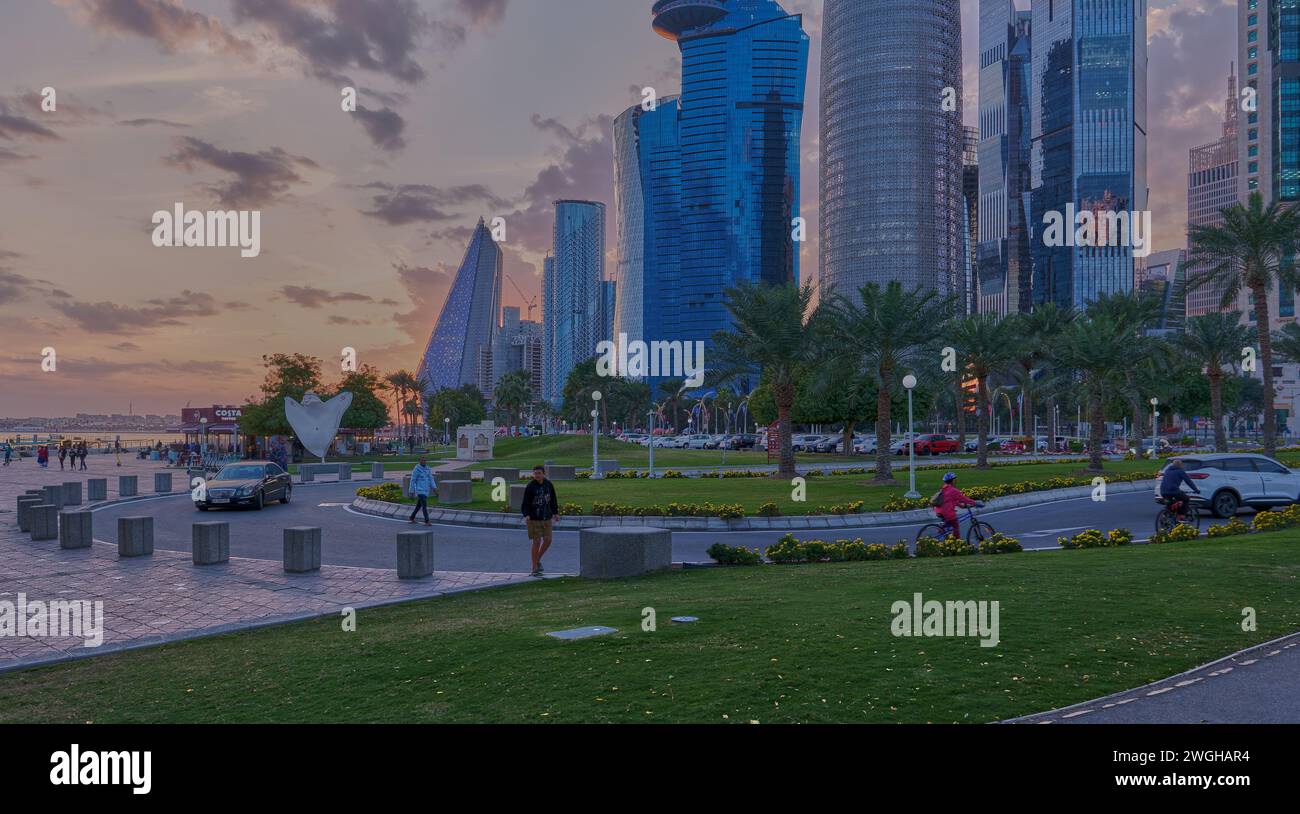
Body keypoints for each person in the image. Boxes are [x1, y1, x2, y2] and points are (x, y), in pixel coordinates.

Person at [521, 465, 560, 577]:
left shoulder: (548, 485)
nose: (537, 475)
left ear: (543, 474)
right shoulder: (530, 487)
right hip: (534, 518)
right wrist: (526, 514)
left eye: (539, 473)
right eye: (535, 473)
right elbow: (525, 502)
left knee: (548, 540)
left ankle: (537, 559)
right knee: (536, 541)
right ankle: (534, 567)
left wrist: (555, 513)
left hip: (546, 517)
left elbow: (553, 500)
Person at [932, 472, 978, 540]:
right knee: (955, 526)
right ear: (953, 481)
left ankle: (941, 530)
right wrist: (975, 503)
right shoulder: (953, 490)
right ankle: (957, 542)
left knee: (948, 524)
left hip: (939, 510)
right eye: (955, 480)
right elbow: (964, 499)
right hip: (947, 512)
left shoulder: (944, 488)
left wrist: (961, 506)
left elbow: (952, 500)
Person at [407, 457, 436, 525]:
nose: (423, 461)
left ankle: (412, 517)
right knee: (424, 505)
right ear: (419, 461)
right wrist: (411, 491)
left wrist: (434, 488)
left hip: (426, 490)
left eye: (424, 460)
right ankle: (427, 520)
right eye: (422, 460)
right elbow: (412, 480)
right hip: (420, 491)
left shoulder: (428, 469)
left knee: (418, 506)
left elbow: (431, 479)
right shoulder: (416, 469)